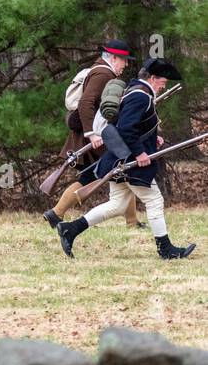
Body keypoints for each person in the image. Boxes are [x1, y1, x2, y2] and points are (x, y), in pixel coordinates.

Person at [56, 58, 195, 260]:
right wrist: (140, 153)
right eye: (162, 81)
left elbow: (132, 124)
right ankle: (166, 250)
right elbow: (126, 128)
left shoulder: (135, 91)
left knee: (118, 205)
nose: (164, 85)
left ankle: (70, 229)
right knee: (155, 200)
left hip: (119, 158)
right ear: (153, 78)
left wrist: (152, 136)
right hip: (128, 160)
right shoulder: (141, 96)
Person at [43, 40, 144, 231]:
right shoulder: (102, 74)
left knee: (120, 172)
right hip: (94, 137)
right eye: (124, 60)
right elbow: (86, 103)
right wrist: (91, 133)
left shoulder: (102, 71)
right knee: (96, 176)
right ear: (114, 58)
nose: (126, 64)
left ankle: (132, 221)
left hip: (96, 134)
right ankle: (55, 214)